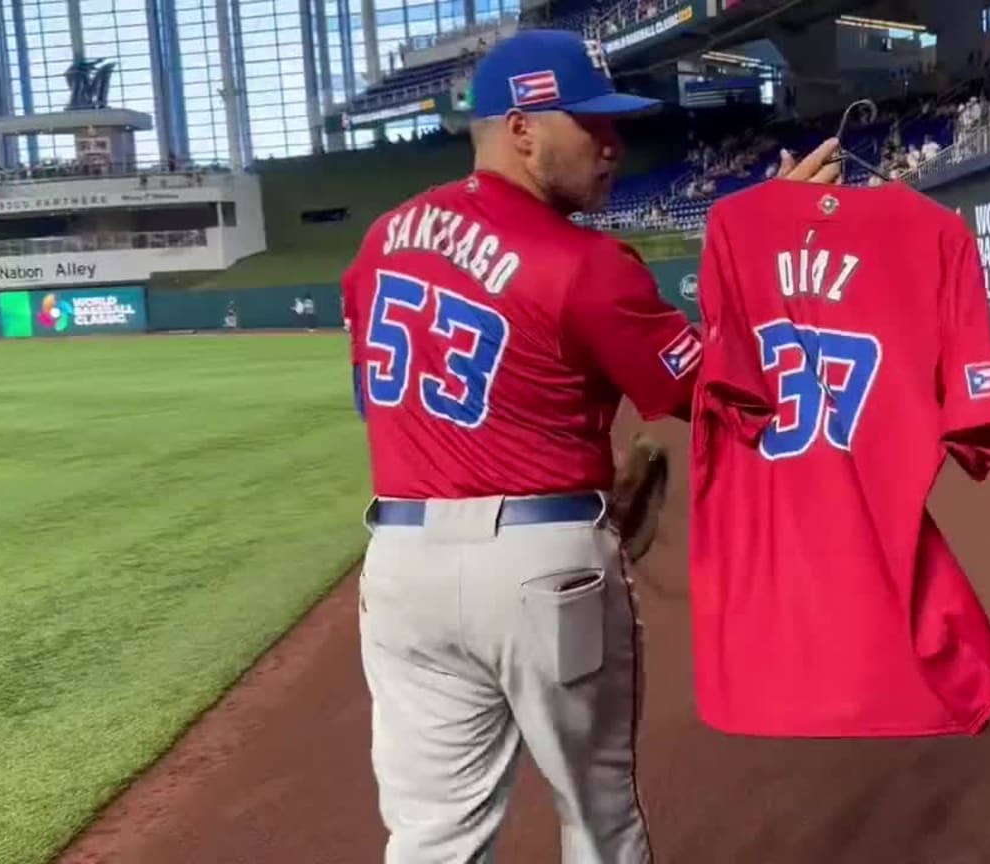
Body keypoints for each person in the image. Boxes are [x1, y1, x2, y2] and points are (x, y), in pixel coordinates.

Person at [340, 29, 841, 864]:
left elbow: (378, 403)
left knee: (430, 835)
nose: (615, 144)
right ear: (522, 127)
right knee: (598, 819)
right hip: (542, 564)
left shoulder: (381, 240)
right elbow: (716, 387)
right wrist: (771, 237)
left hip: (399, 568)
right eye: (591, 123)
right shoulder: (586, 261)